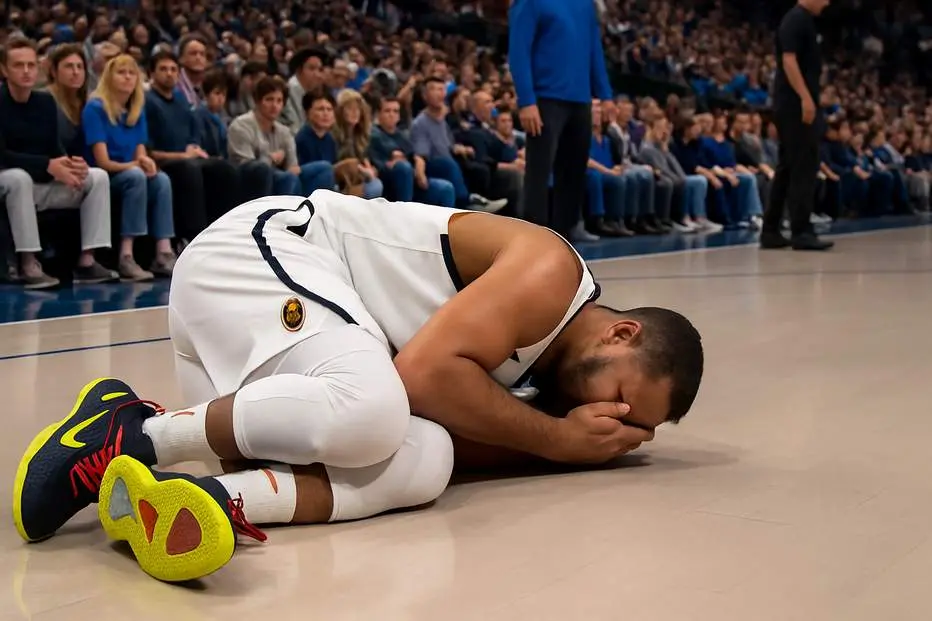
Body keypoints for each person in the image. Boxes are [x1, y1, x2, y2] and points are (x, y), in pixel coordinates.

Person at [13, 191, 704, 584]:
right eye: (622, 397)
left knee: (429, 460)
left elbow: (452, 433)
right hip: (258, 254)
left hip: (270, 345)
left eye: (627, 423)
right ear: (621, 335)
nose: (609, 413)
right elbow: (420, 378)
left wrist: (556, 441)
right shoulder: (552, 271)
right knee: (373, 409)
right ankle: (135, 433)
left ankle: (198, 500)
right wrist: (556, 441)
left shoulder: (536, 383)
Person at [0, 36, 115, 289]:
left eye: (31, 65)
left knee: (97, 176)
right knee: (18, 177)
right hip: (8, 181)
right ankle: (29, 263)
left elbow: (55, 149)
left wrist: (71, 165)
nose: (26, 71)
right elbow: (3, 156)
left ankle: (87, 261)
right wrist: (47, 165)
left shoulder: (44, 102)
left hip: (39, 185)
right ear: (4, 70)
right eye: (18, 65)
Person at [509, 0, 613, 238]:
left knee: (574, 174)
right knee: (538, 173)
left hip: (580, 100)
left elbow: (594, 50)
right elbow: (518, 51)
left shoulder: (586, 5)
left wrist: (605, 94)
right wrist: (526, 100)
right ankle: (533, 238)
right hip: (545, 99)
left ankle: (565, 235)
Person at [762, 0, 833, 251]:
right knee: (804, 164)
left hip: (793, 103)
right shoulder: (796, 20)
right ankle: (801, 230)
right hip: (795, 105)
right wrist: (805, 97)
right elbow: (789, 61)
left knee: (787, 166)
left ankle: (771, 230)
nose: (827, 3)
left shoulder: (802, 20)